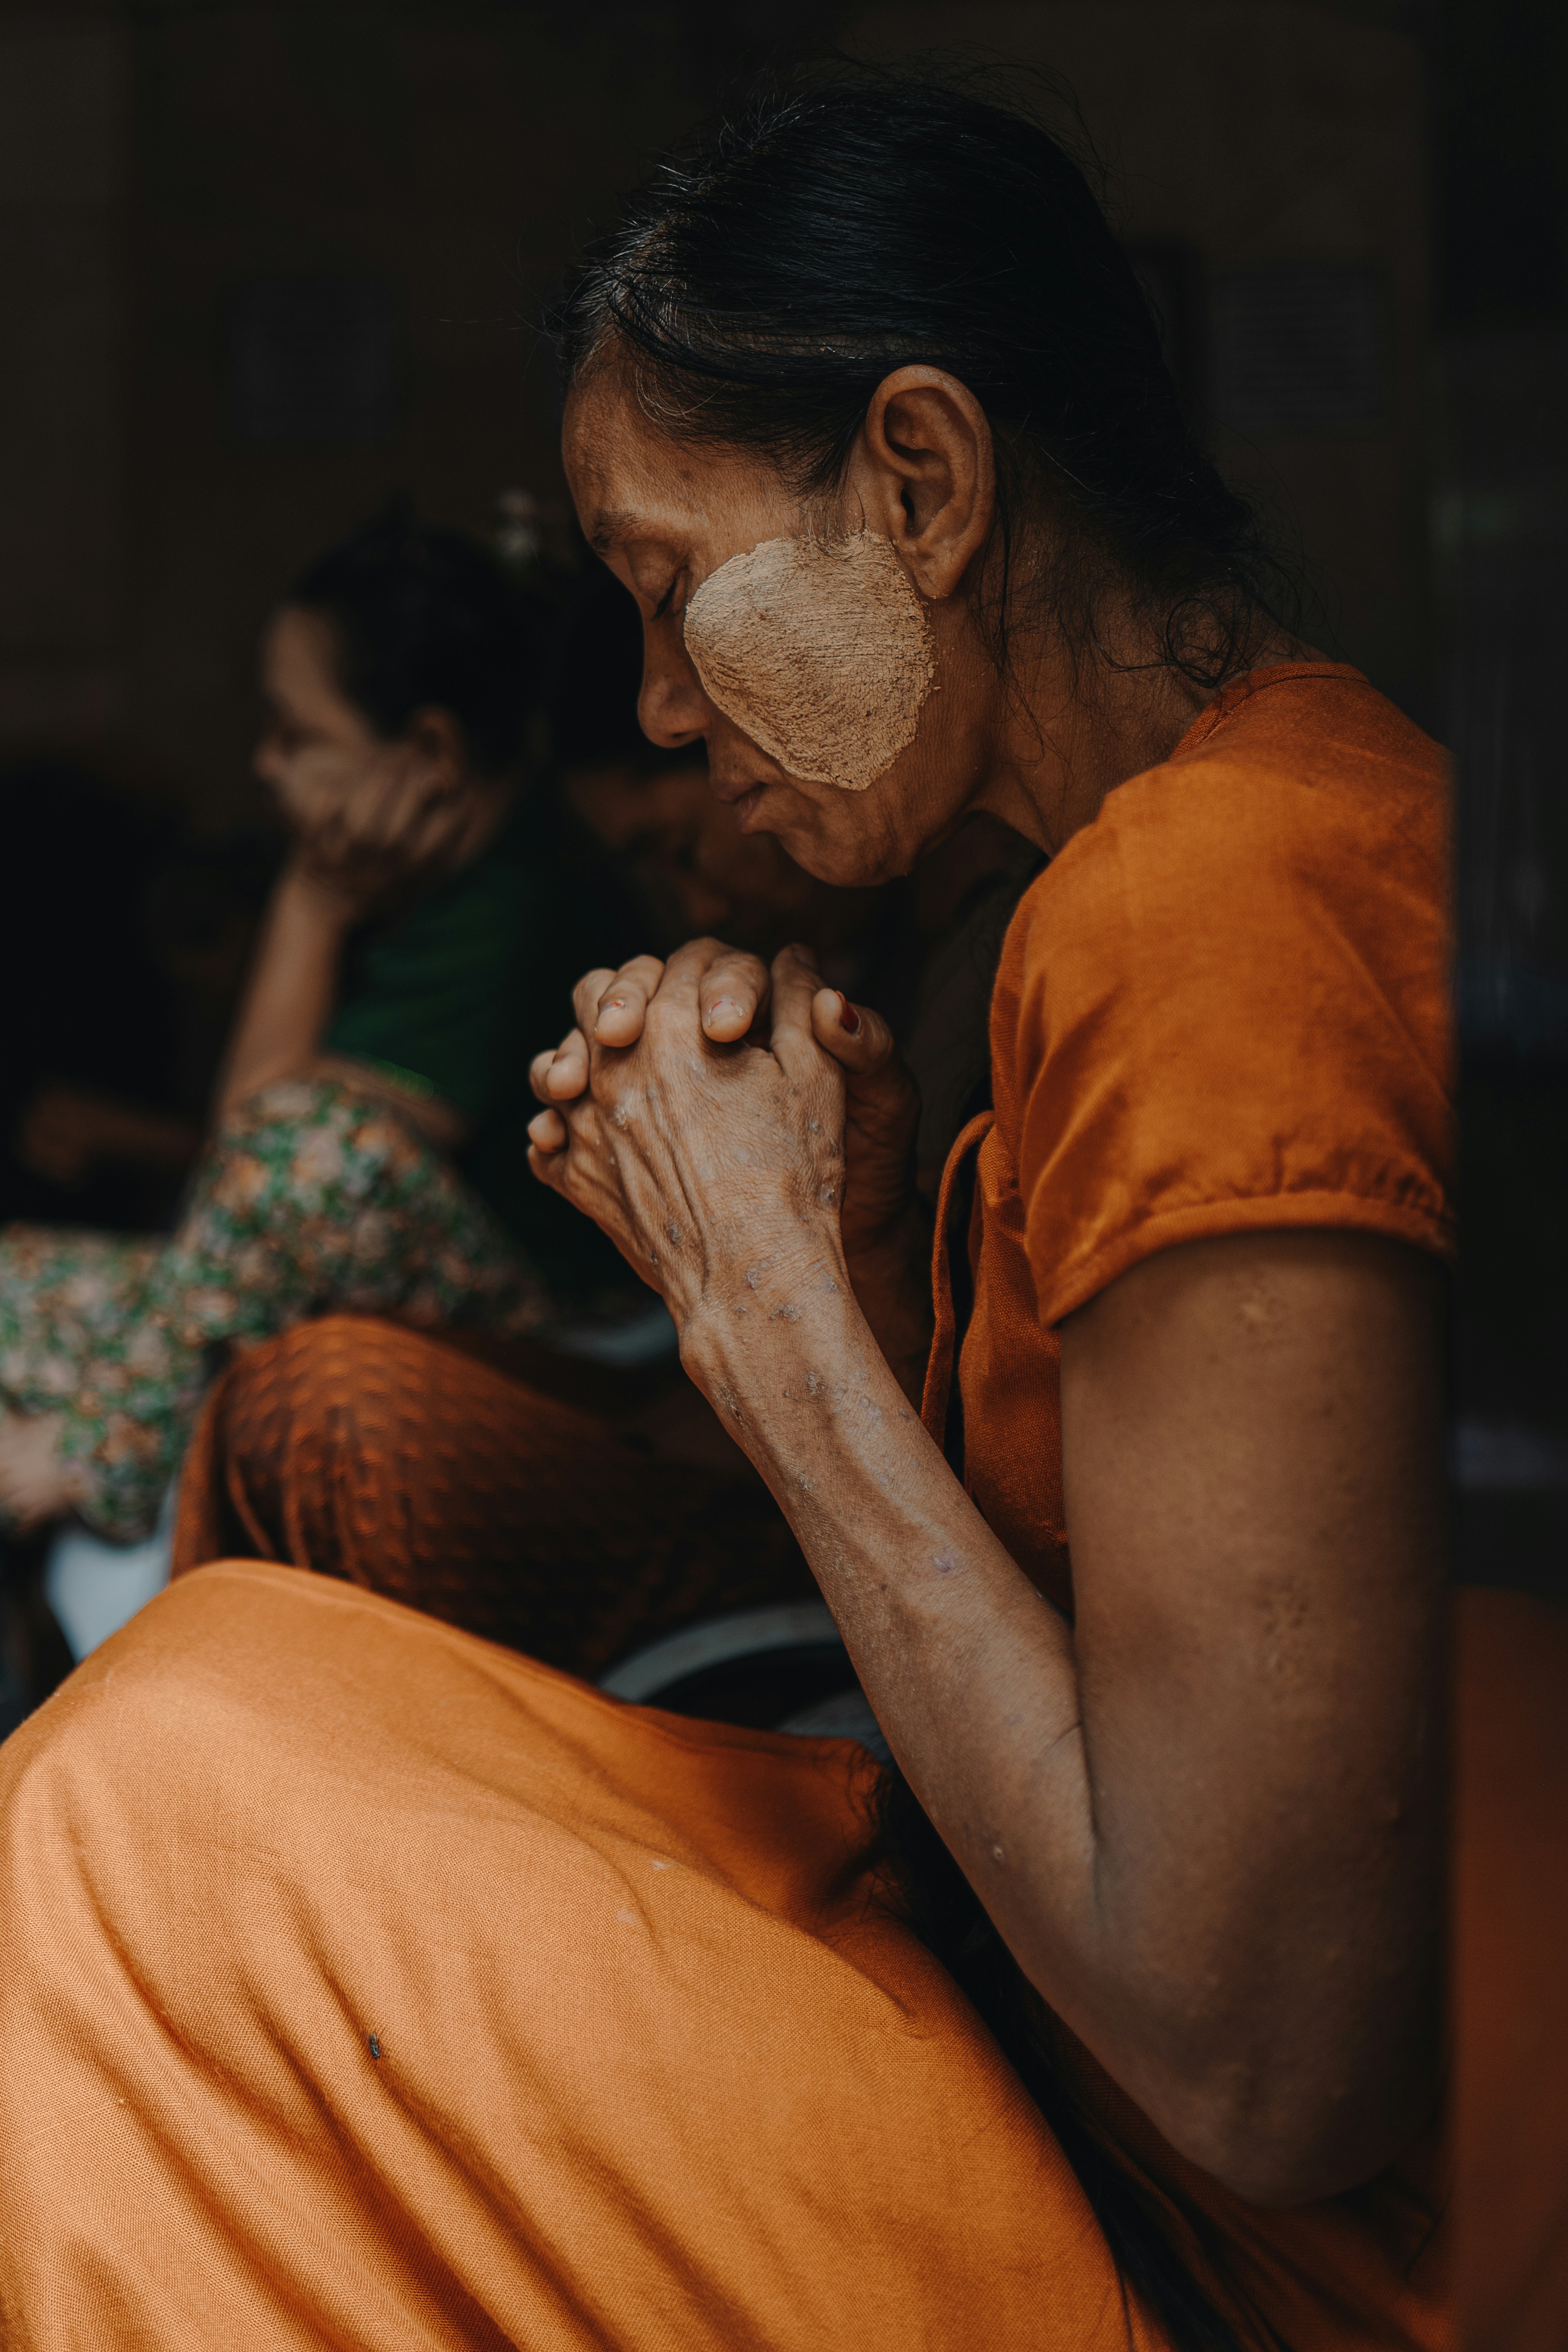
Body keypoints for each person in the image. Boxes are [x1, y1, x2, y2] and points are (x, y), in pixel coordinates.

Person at [0, 72, 1452, 2350]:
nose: (659, 707)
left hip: (1219, 2235)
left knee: (118, 1827)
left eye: (669, 588)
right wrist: (859, 1270)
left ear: (921, 484)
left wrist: (761, 1308)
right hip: (1041, 2019)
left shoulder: (1207, 898)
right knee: (208, 1698)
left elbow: (1263, 2063)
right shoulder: (1158, 858)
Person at [0, 506, 629, 1545]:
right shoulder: (445, 878)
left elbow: (265, 1156)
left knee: (311, 1145)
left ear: (428, 750)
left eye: (297, 734)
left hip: (566, 1338)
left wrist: (312, 900)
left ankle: (102, 1455)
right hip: (404, 1290)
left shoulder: (513, 903)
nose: (264, 764)